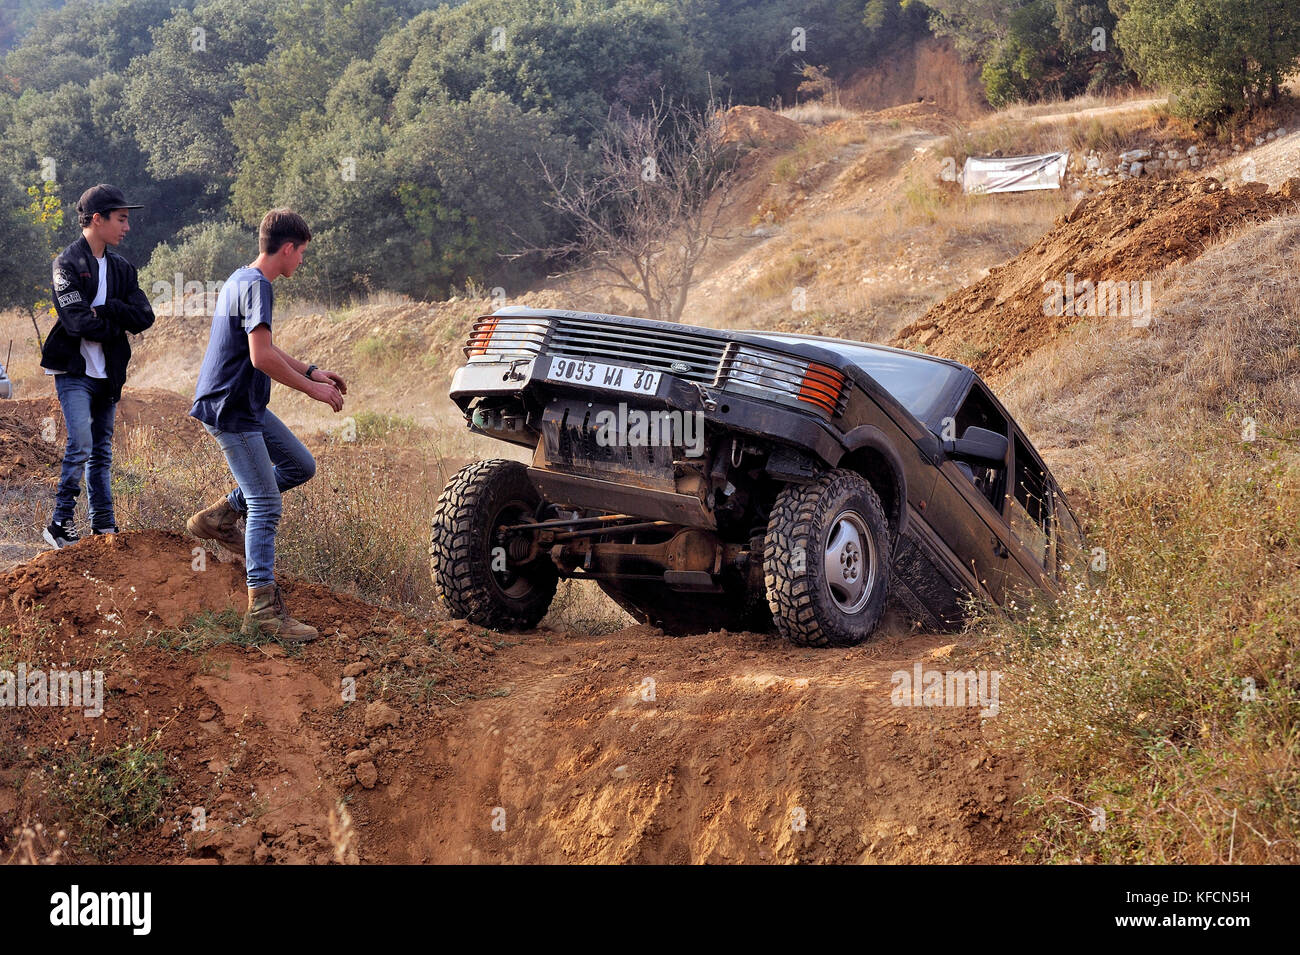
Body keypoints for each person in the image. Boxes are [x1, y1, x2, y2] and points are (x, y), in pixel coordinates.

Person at [186, 209, 347, 642]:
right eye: (302, 254)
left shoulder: (242, 278)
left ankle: (221, 516)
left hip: (244, 404)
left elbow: (266, 348)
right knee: (266, 503)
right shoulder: (257, 286)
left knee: (300, 465)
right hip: (231, 408)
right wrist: (311, 392)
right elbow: (260, 357)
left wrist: (311, 371)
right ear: (288, 247)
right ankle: (262, 611)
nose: (301, 263)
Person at [40, 184, 155, 547]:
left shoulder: (123, 268)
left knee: (102, 450)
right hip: (73, 369)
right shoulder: (66, 264)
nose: (127, 227)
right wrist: (116, 323)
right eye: (121, 219)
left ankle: (103, 525)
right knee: (81, 442)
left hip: (108, 372)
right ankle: (59, 523)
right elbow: (75, 322)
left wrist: (107, 311)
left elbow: (144, 316)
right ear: (96, 219)